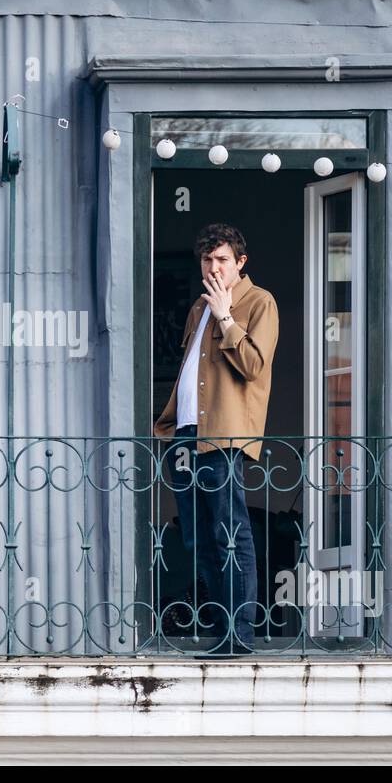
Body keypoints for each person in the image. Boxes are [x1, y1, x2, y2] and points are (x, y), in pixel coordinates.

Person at [154, 223, 279, 655]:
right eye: (208, 260)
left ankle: (239, 635)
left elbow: (253, 365)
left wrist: (227, 316)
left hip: (223, 437)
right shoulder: (197, 308)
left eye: (222, 259)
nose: (214, 267)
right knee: (199, 537)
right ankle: (222, 630)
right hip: (187, 436)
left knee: (231, 533)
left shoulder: (258, 303)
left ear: (240, 263)